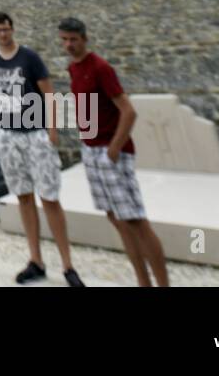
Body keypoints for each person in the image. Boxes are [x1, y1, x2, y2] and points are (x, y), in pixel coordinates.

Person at [58, 17, 168, 286]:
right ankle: (143, 281)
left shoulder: (100, 68)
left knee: (135, 220)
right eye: (64, 39)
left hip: (110, 150)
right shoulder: (74, 69)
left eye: (73, 39)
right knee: (116, 218)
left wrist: (114, 150)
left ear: (85, 38)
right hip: (91, 149)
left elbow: (128, 111)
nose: (69, 44)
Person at [0, 11, 84, 286]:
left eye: (6, 29)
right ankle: (35, 260)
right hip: (7, 135)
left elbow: (48, 92)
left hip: (34, 133)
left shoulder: (29, 58)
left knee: (49, 198)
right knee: (24, 196)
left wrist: (51, 131)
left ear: (12, 29)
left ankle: (68, 265)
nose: (3, 34)